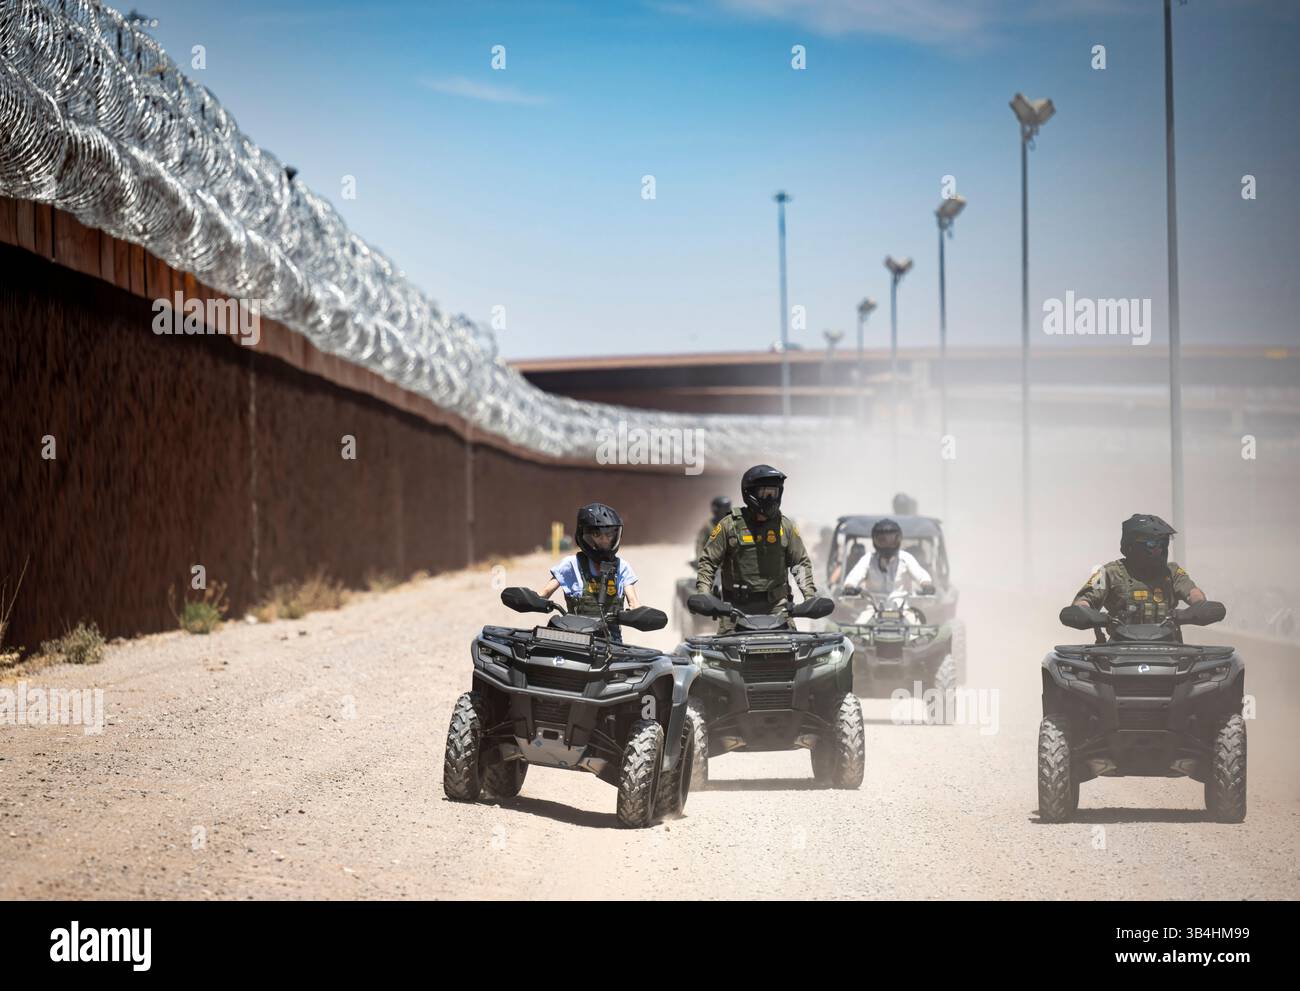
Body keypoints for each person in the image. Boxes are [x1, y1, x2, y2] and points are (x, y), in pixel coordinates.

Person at [695, 464, 816, 631]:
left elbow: (800, 563)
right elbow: (708, 562)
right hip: (735, 610)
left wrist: (810, 597)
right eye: (765, 492)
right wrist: (704, 595)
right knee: (723, 655)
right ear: (750, 493)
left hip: (777, 608)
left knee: (793, 650)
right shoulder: (729, 525)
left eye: (774, 492)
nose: (770, 498)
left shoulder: (785, 526)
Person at [1071, 514, 1205, 624]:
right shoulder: (1109, 572)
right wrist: (1083, 612)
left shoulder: (1172, 572)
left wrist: (1200, 606)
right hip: (1119, 650)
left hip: (1168, 648)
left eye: (1163, 543)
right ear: (1131, 546)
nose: (1159, 549)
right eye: (1151, 544)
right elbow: (1084, 601)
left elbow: (1192, 592)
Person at [537, 503, 641, 641]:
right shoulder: (572, 564)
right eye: (597, 534)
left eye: (609, 535)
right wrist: (529, 599)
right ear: (584, 535)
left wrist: (642, 616)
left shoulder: (622, 567)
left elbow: (634, 604)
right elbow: (544, 593)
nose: (604, 540)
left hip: (610, 641)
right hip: (575, 637)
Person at [839, 518, 933, 604]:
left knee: (915, 622)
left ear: (898, 539)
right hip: (873, 610)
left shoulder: (906, 558)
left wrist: (926, 585)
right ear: (875, 540)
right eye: (883, 540)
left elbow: (921, 575)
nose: (888, 544)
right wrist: (849, 587)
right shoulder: (868, 559)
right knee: (861, 622)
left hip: (904, 610)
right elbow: (854, 577)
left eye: (891, 540)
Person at [694, 495, 732, 560]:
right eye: (724, 509)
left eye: (728, 508)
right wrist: (700, 559)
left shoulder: (732, 523)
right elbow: (700, 543)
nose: (728, 511)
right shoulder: (709, 526)